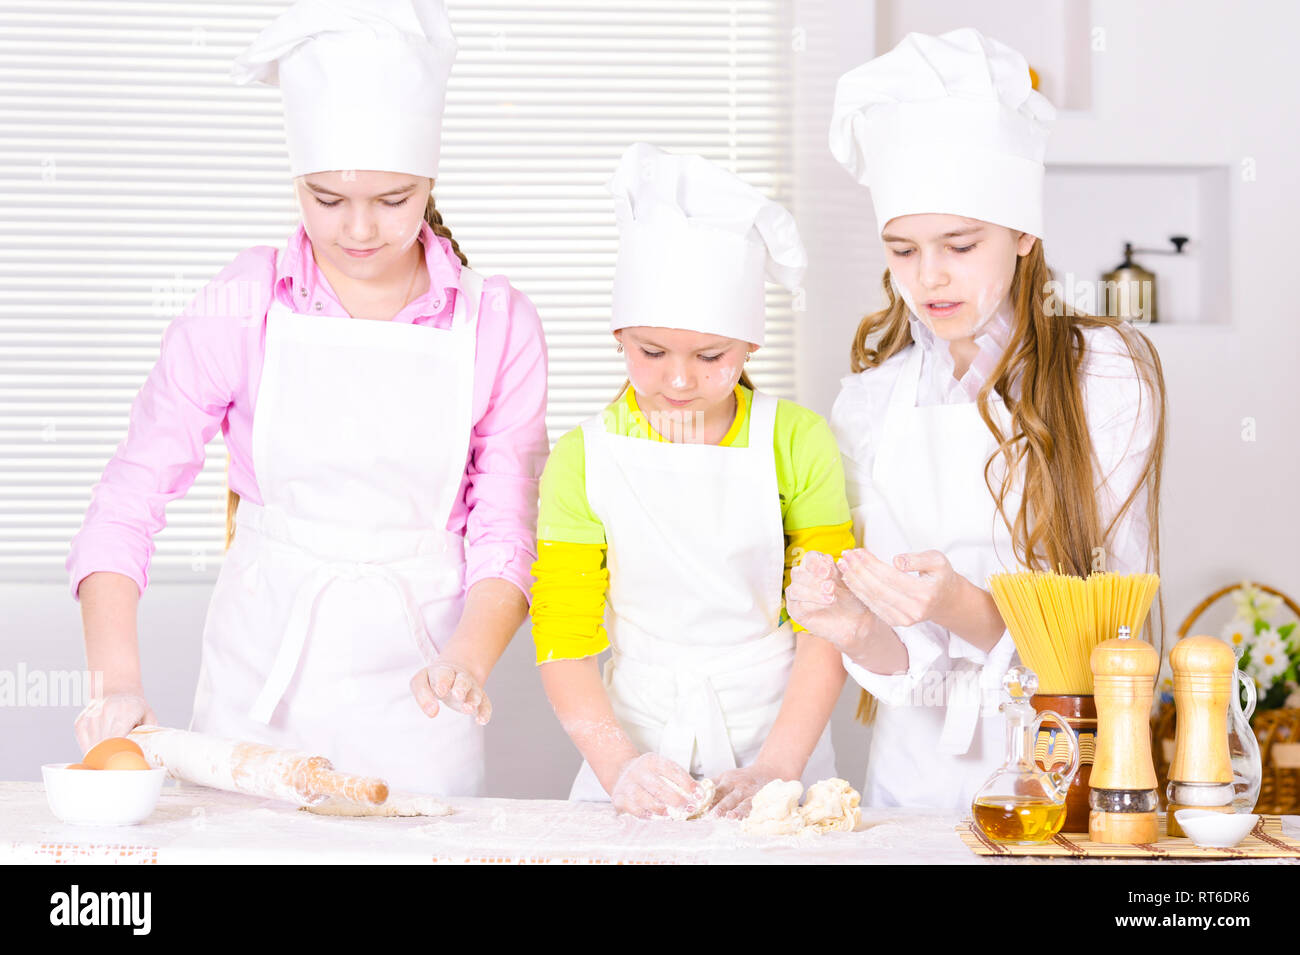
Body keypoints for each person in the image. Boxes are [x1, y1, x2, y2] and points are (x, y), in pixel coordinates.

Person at [66, 0, 549, 796]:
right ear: (296, 178)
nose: (359, 229)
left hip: (421, 702)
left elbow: (506, 530)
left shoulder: (497, 323)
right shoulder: (246, 300)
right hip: (258, 693)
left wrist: (466, 660)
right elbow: (130, 495)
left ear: (429, 180)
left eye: (393, 199)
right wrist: (114, 679)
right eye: (327, 198)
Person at [785, 28, 1167, 809]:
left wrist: (966, 607)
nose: (929, 279)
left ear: (1024, 232)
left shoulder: (1109, 378)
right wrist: (852, 623)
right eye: (903, 250)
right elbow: (902, 661)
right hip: (906, 788)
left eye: (960, 243)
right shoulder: (871, 403)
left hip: (1065, 773)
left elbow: (1114, 645)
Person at [531, 143, 855, 819]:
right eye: (652, 352)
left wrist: (776, 765)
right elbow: (564, 633)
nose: (679, 380)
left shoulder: (797, 441)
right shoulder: (582, 456)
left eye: (711, 356)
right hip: (631, 740)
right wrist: (621, 766)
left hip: (778, 733)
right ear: (619, 334)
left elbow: (825, 623)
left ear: (748, 346)